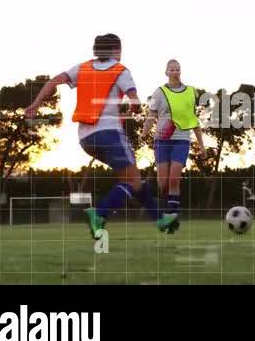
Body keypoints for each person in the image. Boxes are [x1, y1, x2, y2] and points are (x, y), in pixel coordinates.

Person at [24, 33, 177, 238]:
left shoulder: (82, 68)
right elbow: (135, 102)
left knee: (133, 180)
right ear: (114, 50)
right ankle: (99, 213)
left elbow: (53, 81)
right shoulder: (121, 71)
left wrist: (35, 105)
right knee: (133, 181)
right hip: (109, 134)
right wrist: (135, 109)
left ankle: (160, 219)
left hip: (86, 139)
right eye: (119, 49)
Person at [141, 59, 206, 232]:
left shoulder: (190, 92)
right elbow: (151, 115)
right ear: (166, 72)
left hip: (181, 139)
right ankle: (168, 212)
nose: (175, 71)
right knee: (163, 183)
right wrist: (144, 131)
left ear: (180, 71)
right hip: (162, 140)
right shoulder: (159, 92)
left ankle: (171, 219)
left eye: (177, 69)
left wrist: (201, 145)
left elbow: (194, 120)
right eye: (172, 69)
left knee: (174, 179)